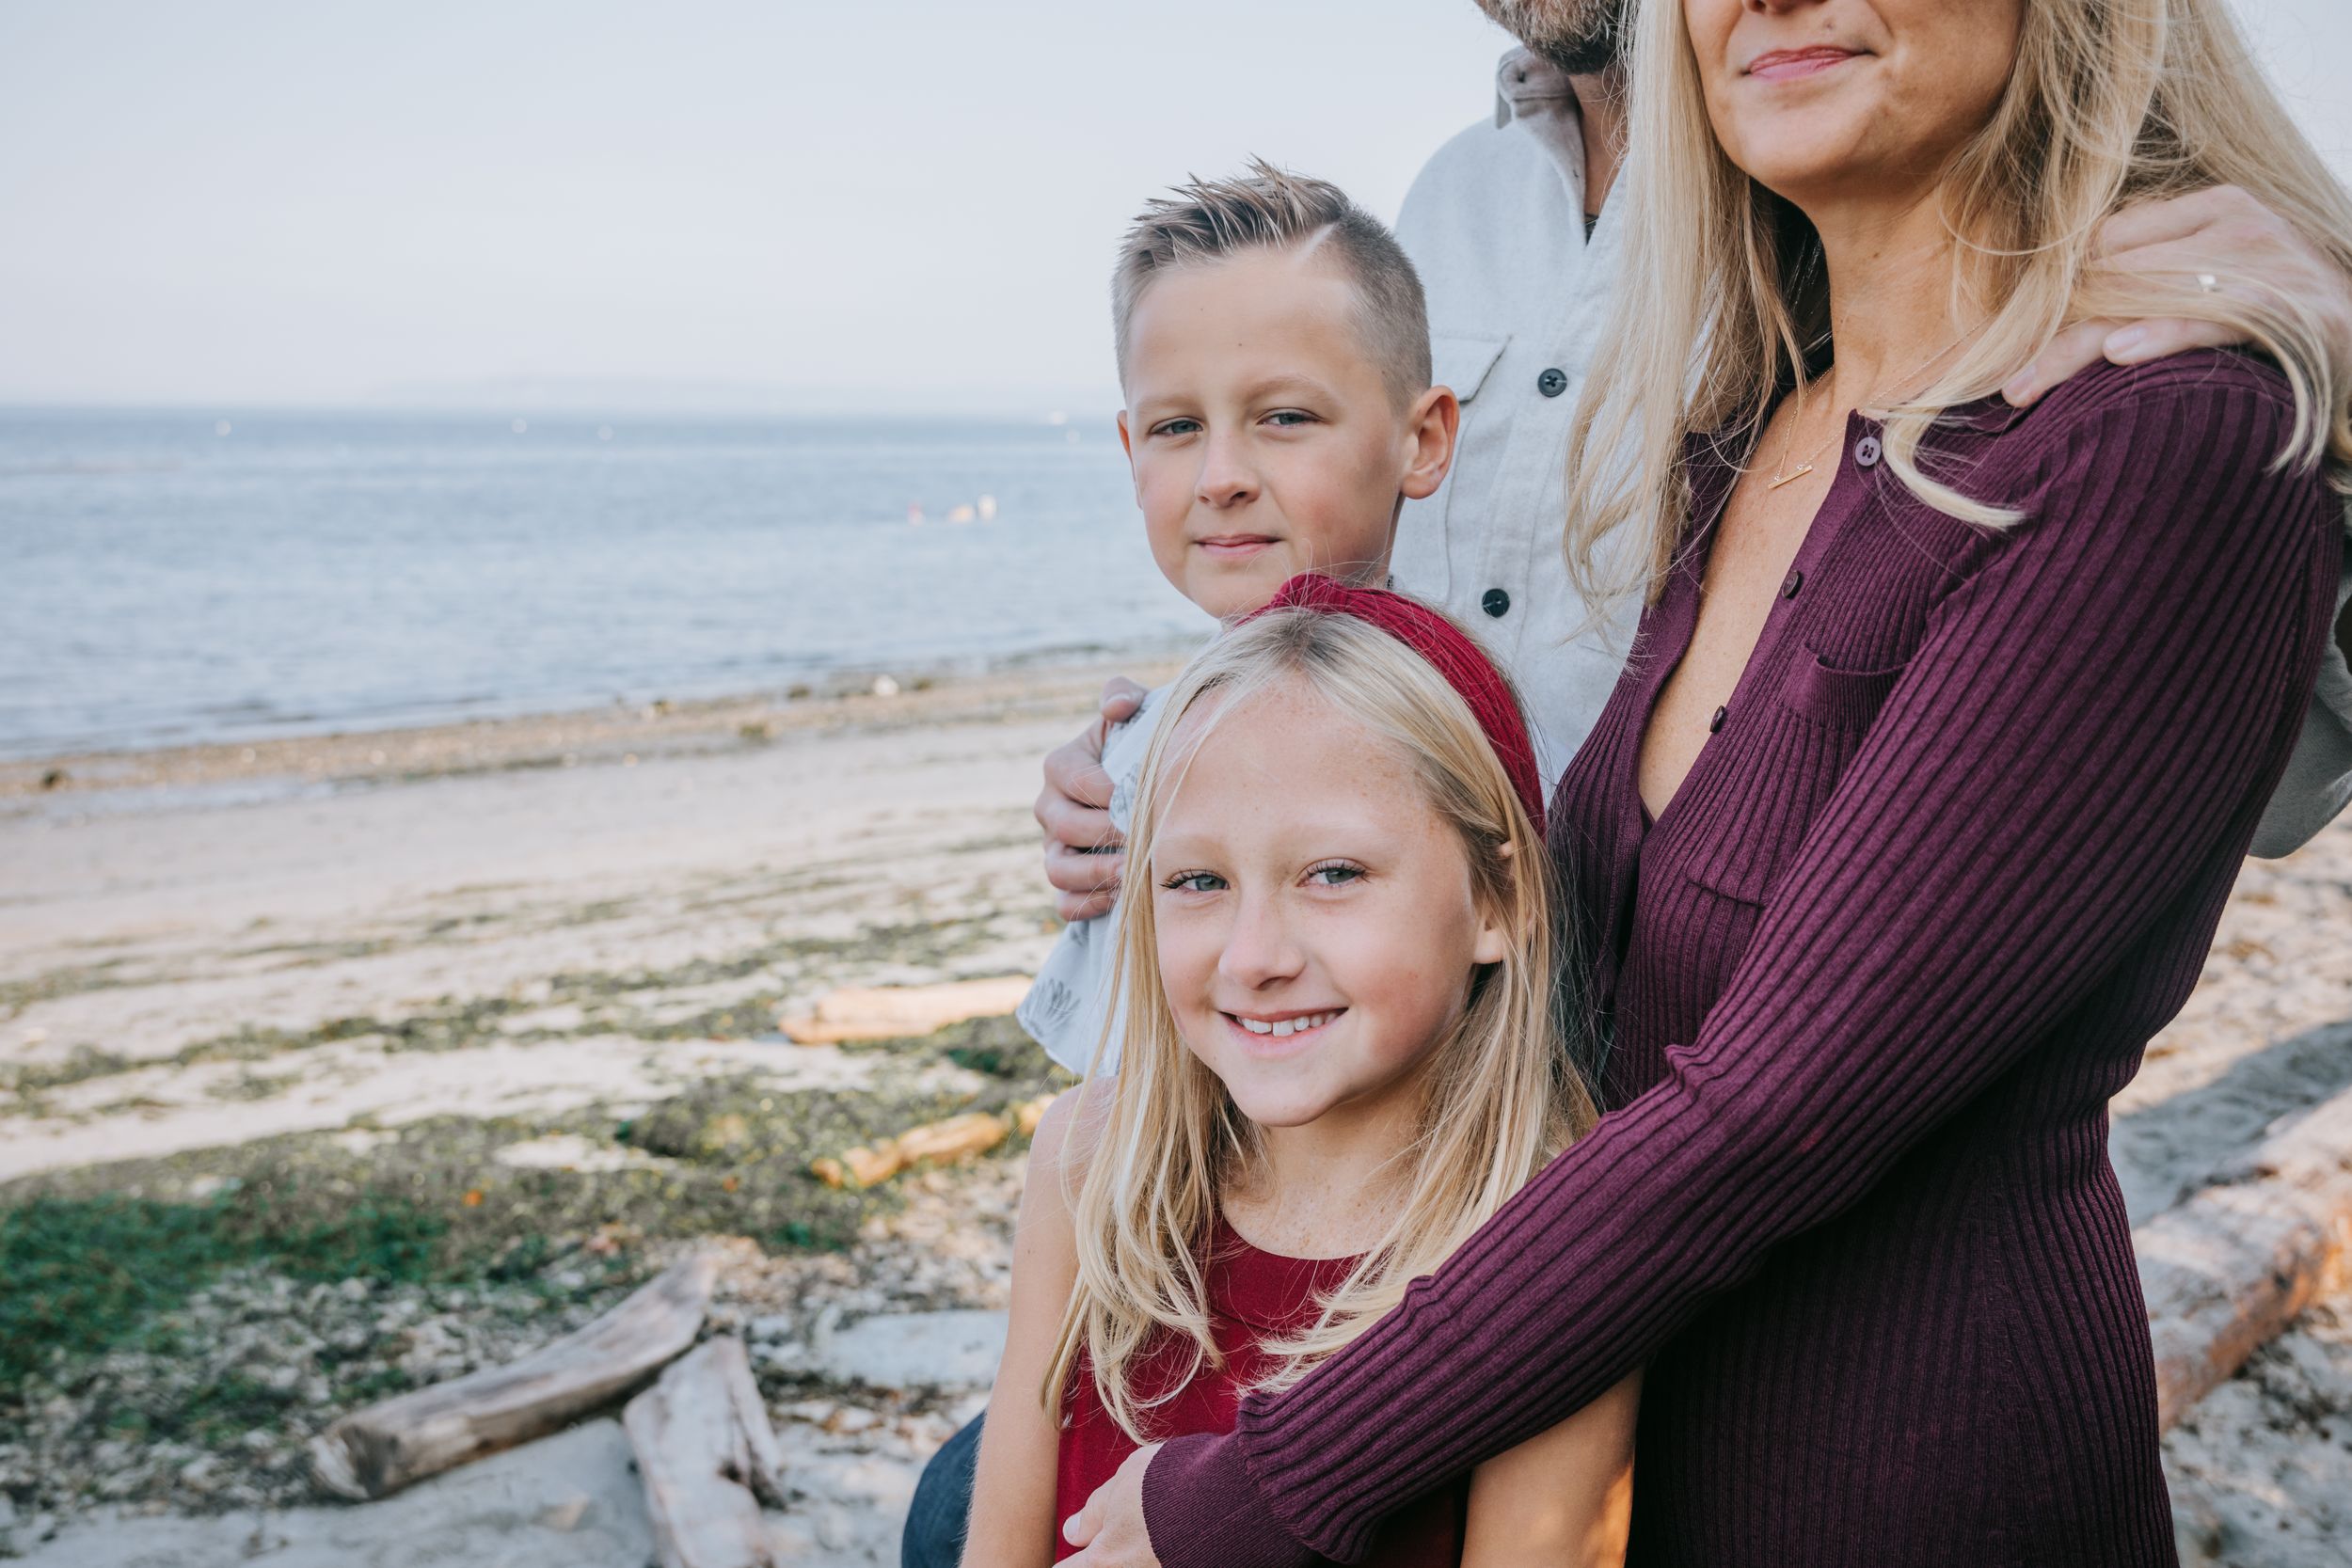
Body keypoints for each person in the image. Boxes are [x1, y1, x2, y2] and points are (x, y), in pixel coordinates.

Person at [1058, 0, 2352, 1562]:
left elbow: (1771, 1112)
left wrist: (1268, 1484)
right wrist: (1182, 797)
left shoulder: (2166, 440)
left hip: (1895, 1486)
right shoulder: (1753, 424)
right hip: (1589, 1450)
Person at [965, 576, 1641, 1568]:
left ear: (1499, 898)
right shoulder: (1089, 1162)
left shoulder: (1550, 1255)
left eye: (1333, 873)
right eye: (1197, 879)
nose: (1253, 957)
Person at [1014, 162, 1460, 1079]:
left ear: (1421, 441)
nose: (1220, 477)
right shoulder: (1141, 750)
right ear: (1130, 449)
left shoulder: (1460, 736)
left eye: (1284, 416)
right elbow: (1112, 1092)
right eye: (1176, 428)